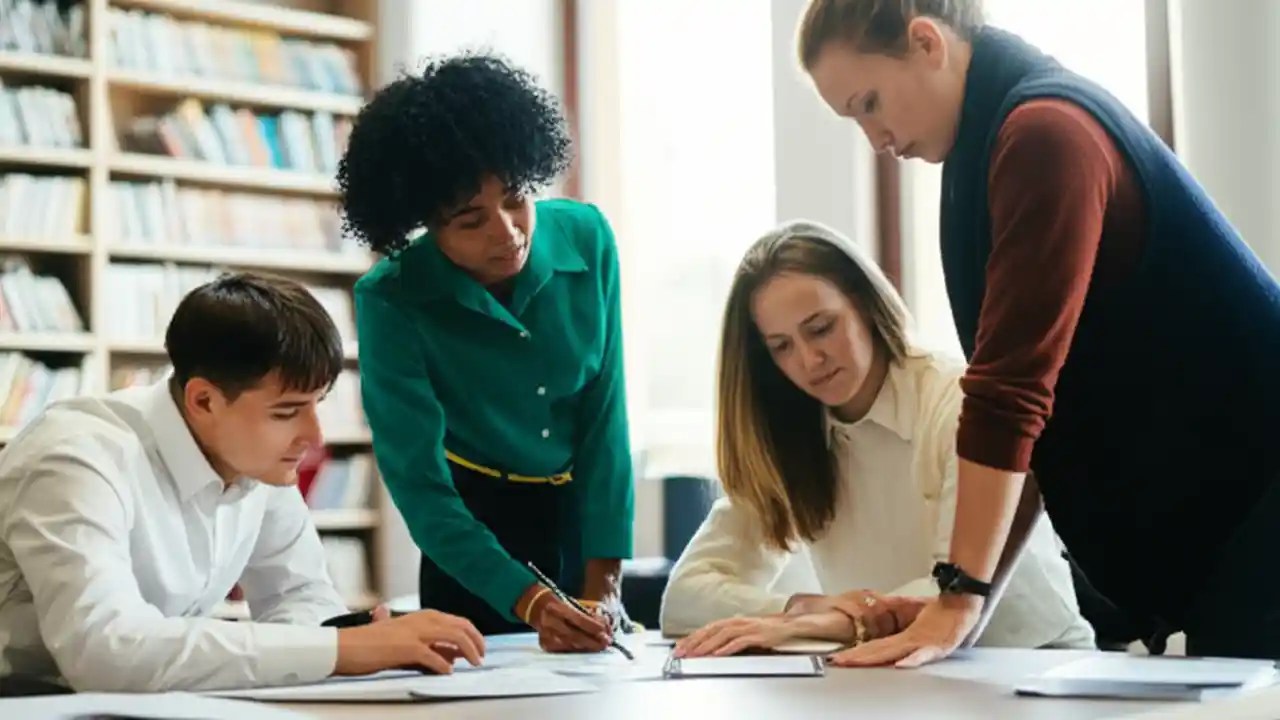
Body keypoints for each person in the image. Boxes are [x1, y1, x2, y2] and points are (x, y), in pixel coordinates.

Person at [796, 0, 1280, 665]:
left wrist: (961, 596)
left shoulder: (1045, 135)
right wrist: (966, 598)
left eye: (870, 102)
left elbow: (1009, 396)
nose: (874, 139)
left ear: (926, 42)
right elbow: (1026, 428)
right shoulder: (983, 154)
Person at [0, 272, 485, 694]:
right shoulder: (77, 457)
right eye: (287, 412)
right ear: (204, 401)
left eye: (318, 403)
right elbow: (106, 651)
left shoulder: (256, 461)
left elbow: (302, 600)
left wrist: (350, 641)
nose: (315, 437)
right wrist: (341, 648)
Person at [661, 220, 1093, 658]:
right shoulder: (788, 438)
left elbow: (958, 594)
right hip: (892, 668)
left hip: (1029, 661)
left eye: (820, 328)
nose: (810, 360)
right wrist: (796, 610)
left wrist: (834, 622)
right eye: (781, 346)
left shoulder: (959, 405)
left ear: (865, 304)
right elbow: (684, 597)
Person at [338, 51, 635, 653]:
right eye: (470, 220)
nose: (507, 232)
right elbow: (420, 486)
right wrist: (528, 599)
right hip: (470, 539)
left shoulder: (590, 238)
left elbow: (608, 423)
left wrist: (602, 584)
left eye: (518, 197)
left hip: (583, 519)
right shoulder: (391, 299)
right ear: (424, 222)